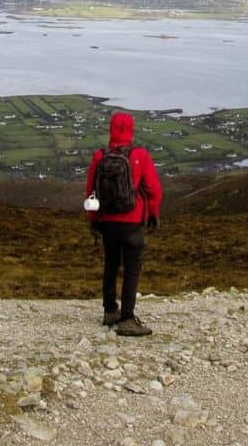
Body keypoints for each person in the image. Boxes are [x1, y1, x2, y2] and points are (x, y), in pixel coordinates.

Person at [84, 111, 162, 336]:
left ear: (111, 129)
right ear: (131, 129)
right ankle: (127, 319)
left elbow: (90, 191)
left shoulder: (99, 156)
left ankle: (110, 311)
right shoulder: (140, 155)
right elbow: (154, 189)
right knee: (131, 269)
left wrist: (93, 220)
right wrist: (153, 214)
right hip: (132, 222)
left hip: (107, 221)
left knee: (110, 265)